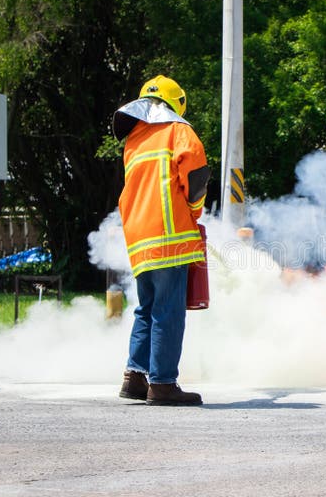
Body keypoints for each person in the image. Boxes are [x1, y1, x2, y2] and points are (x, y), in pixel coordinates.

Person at [112, 75, 210, 406]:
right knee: (168, 310)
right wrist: (195, 212)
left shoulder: (135, 140)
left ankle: (135, 378)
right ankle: (163, 384)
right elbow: (196, 178)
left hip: (140, 238)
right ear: (177, 102)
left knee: (147, 308)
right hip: (170, 236)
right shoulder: (178, 130)